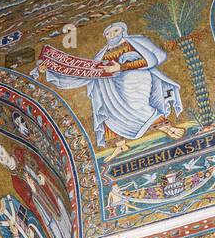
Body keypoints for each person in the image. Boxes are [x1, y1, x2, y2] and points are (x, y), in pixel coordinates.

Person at [42, 21, 184, 147]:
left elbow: (153, 59)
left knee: (137, 105)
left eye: (115, 31)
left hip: (136, 78)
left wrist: (121, 67)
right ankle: (120, 144)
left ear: (123, 31)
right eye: (108, 33)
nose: (112, 35)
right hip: (111, 86)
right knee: (108, 107)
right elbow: (86, 73)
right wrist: (50, 69)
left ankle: (168, 128)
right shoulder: (102, 54)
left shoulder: (136, 41)